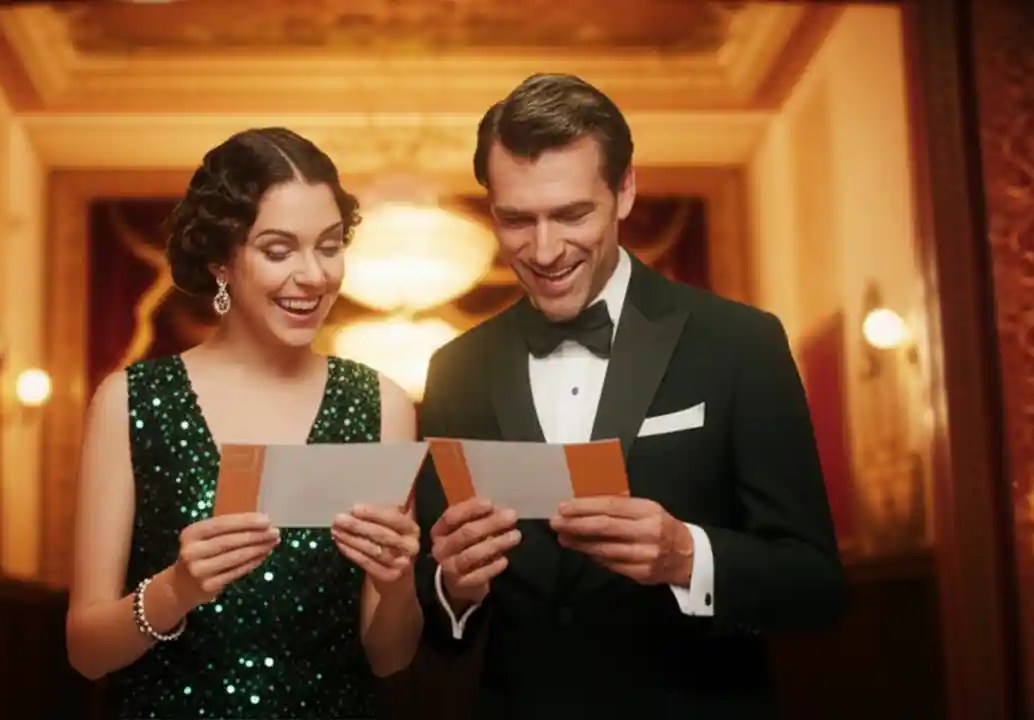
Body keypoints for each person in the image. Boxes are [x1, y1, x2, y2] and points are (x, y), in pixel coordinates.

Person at [412, 74, 847, 718]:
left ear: (625, 192)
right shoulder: (455, 368)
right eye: (516, 220)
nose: (544, 248)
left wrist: (686, 556)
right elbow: (435, 625)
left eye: (571, 214)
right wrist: (453, 585)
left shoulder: (739, 343)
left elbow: (816, 586)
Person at [66, 127, 423, 720]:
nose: (313, 275)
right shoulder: (131, 400)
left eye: (329, 246)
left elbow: (389, 659)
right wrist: (177, 590)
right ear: (221, 261)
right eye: (279, 251)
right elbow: (85, 651)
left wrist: (399, 582)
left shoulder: (382, 403)